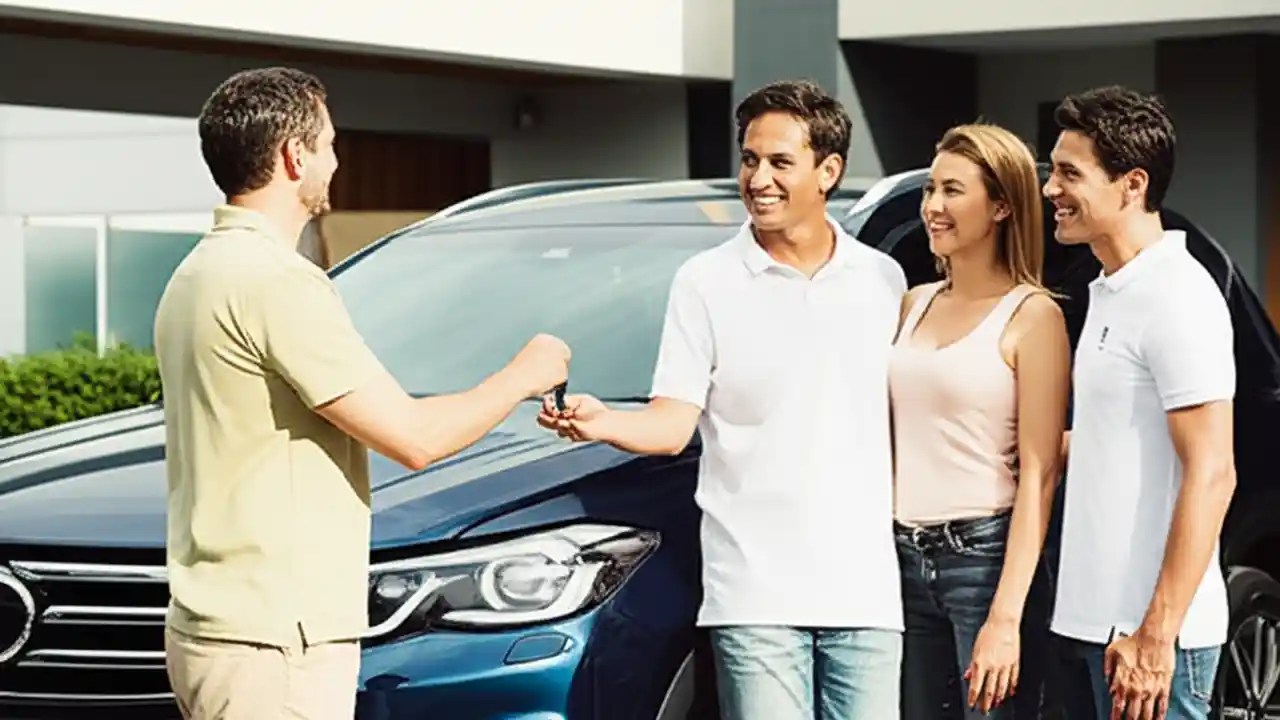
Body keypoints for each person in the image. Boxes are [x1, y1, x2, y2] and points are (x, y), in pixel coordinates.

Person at [153, 66, 570, 720]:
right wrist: (524, 374)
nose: (335, 159)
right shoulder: (277, 282)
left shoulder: (197, 273)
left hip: (221, 625)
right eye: (327, 143)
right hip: (277, 639)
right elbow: (415, 438)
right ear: (294, 156)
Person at [537, 78, 906, 719]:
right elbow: (672, 425)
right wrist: (603, 422)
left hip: (868, 591)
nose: (758, 178)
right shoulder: (705, 283)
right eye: (750, 158)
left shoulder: (882, 277)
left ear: (829, 171)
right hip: (754, 596)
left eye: (780, 162)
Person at [1044, 85, 1237, 720]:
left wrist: (1156, 636)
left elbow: (1213, 473)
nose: (1051, 189)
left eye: (1070, 174)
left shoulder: (1177, 294)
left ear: (1132, 184)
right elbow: (1124, 442)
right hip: (1096, 628)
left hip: (1150, 645)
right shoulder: (1111, 290)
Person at [890, 123, 1071, 719]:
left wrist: (1006, 616)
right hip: (899, 558)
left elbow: (1040, 474)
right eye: (930, 191)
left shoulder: (1033, 315)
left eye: (952, 191)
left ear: (999, 206)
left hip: (984, 562)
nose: (933, 208)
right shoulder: (912, 304)